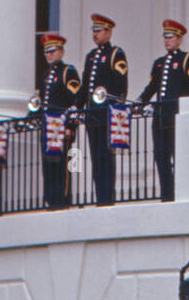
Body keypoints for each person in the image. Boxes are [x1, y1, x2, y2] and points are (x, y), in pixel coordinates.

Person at [138, 18, 189, 202]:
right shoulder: (159, 63)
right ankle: (166, 193)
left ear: (180, 39)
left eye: (171, 37)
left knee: (177, 156)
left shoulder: (186, 59)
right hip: (160, 117)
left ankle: (178, 193)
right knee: (161, 156)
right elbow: (151, 88)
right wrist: (140, 101)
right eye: (165, 37)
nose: (167, 40)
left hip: (176, 116)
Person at [79, 13, 128, 206]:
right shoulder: (91, 56)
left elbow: (120, 85)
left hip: (107, 114)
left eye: (98, 31)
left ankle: (107, 197)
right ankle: (100, 196)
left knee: (106, 157)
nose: (95, 35)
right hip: (93, 115)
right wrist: (78, 105)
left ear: (108, 32)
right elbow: (85, 86)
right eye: (94, 31)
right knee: (96, 157)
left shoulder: (116, 54)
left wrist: (115, 107)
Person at [37, 33, 81, 210]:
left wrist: (70, 126)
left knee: (63, 165)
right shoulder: (46, 75)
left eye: (52, 51)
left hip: (61, 127)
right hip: (48, 128)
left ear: (61, 52)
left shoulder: (67, 71)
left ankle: (62, 200)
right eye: (46, 52)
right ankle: (51, 199)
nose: (48, 55)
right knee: (48, 164)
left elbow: (74, 101)